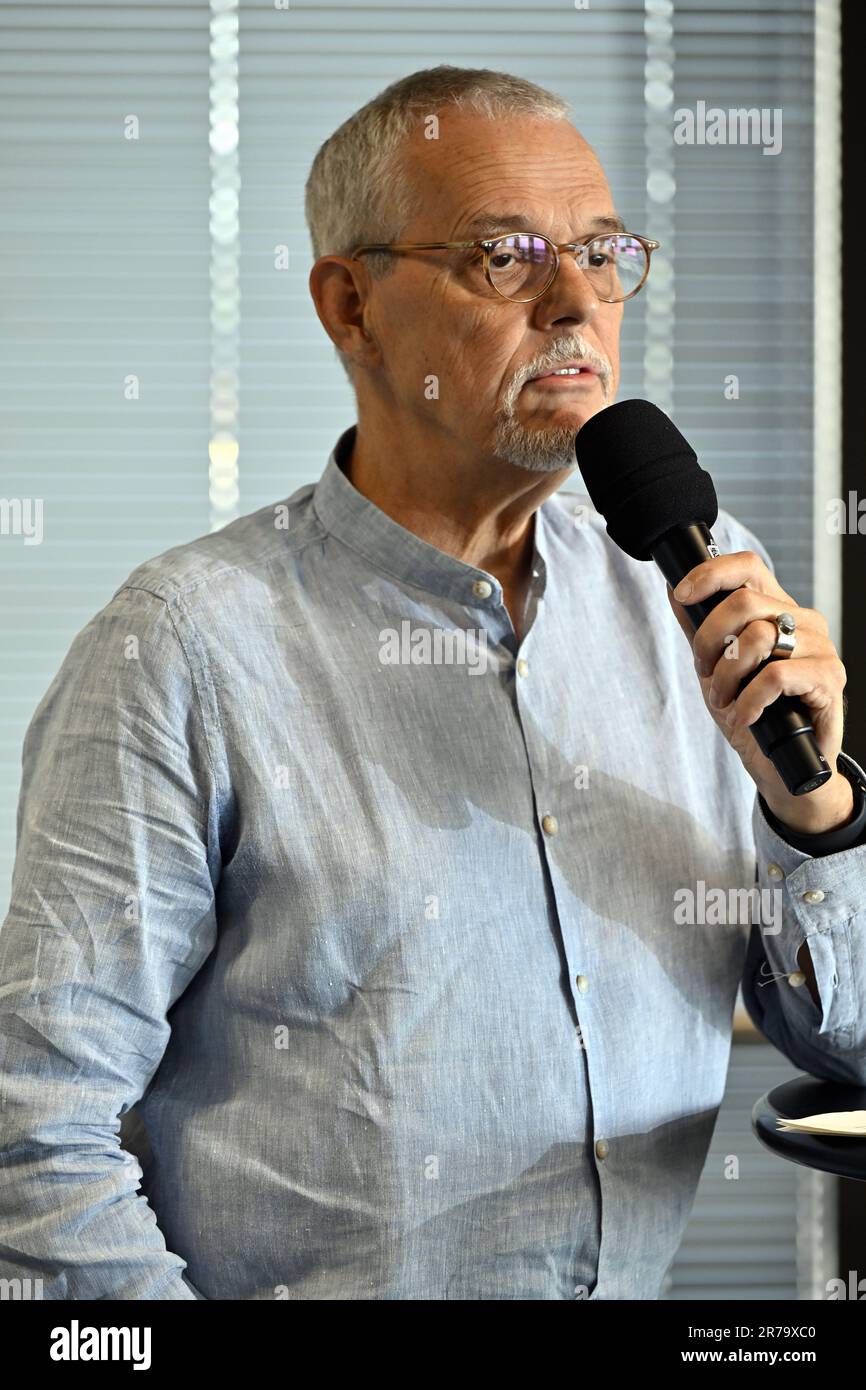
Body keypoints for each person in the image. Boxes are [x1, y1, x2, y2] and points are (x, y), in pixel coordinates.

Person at [1, 65, 864, 1302]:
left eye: (603, 252)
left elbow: (846, 1042)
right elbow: (35, 1131)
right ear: (351, 307)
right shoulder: (181, 649)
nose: (577, 302)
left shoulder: (699, 594)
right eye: (507, 257)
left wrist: (811, 807)